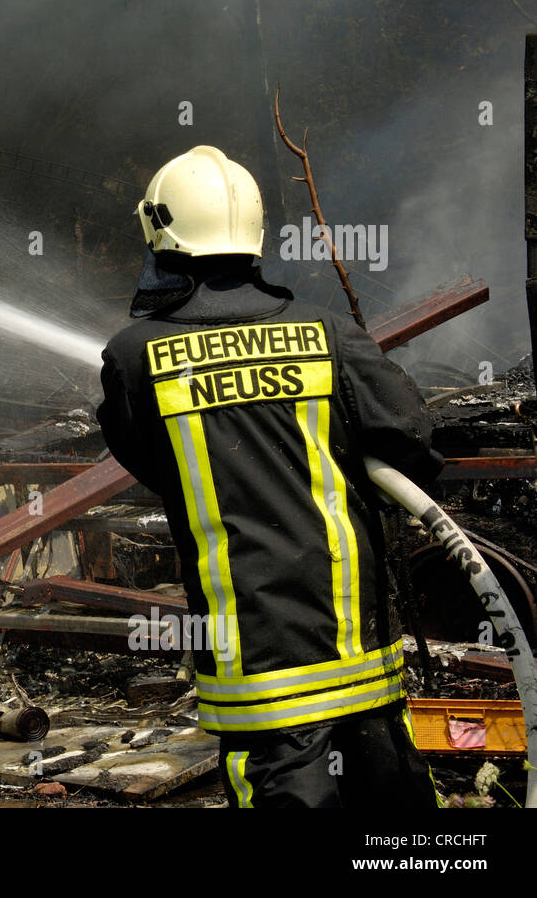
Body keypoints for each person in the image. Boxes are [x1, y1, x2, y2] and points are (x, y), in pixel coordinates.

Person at [97, 145, 442, 807]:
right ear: (252, 235)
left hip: (261, 689)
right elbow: (418, 450)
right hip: (362, 673)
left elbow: (150, 463)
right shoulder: (329, 335)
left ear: (160, 236)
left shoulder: (134, 358)